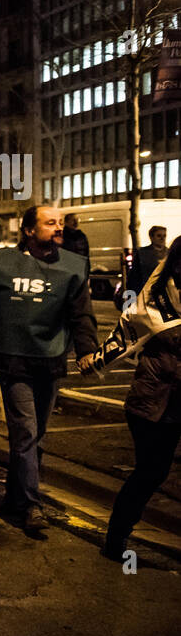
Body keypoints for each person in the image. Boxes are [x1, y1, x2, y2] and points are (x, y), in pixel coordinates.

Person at [0, 205, 98, 532]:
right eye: (50, 223)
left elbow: (81, 314)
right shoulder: (0, 264)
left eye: (60, 223)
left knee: (36, 436)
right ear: (28, 230)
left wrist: (87, 350)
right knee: (25, 432)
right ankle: (32, 506)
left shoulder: (72, 267)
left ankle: (14, 497)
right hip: (13, 360)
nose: (58, 228)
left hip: (50, 360)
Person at [90, 236, 181, 561]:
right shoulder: (158, 297)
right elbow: (129, 326)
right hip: (153, 402)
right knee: (150, 472)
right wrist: (95, 358)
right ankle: (117, 537)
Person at [125, 225, 169, 299]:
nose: (162, 238)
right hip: (147, 292)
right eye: (159, 236)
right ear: (151, 237)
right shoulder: (143, 253)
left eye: (164, 236)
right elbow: (134, 276)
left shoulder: (170, 252)